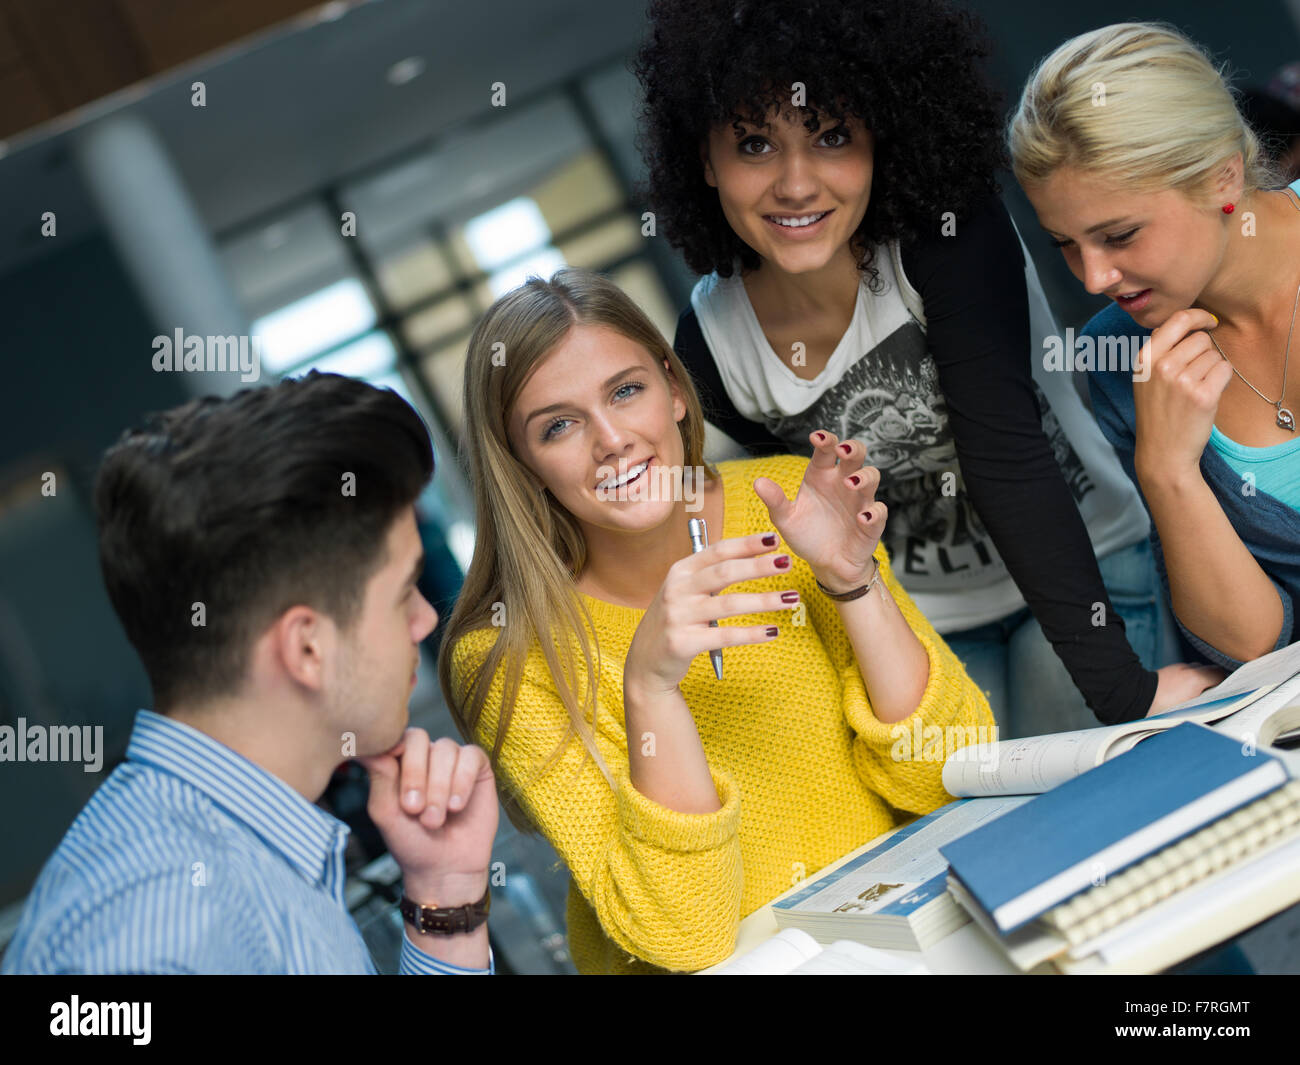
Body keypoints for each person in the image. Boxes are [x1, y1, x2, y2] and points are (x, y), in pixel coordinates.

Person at [633, 0, 1222, 734]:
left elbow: (1006, 452)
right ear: (705, 162)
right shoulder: (712, 346)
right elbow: (813, 514)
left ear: (884, 134)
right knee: (969, 816)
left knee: (1068, 793)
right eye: (754, 145)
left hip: (1089, 567)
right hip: (923, 616)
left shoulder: (944, 236)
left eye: (832, 136)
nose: (795, 184)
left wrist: (1124, 694)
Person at [437, 267, 992, 974]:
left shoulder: (784, 500)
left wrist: (853, 585)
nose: (610, 439)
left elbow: (949, 772)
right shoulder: (509, 651)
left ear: (673, 388)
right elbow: (684, 936)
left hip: (900, 940)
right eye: (559, 426)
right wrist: (650, 688)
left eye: (626, 390)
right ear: (520, 461)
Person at [2, 373, 498, 975]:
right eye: (402, 594)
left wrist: (445, 895)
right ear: (306, 649)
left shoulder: (250, 848)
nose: (425, 619)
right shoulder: (164, 928)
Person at [1009, 22, 1300, 673]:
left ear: (1224, 179)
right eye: (1065, 243)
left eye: (1120, 235)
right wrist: (1166, 470)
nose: (1093, 279)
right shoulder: (1116, 359)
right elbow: (1251, 645)